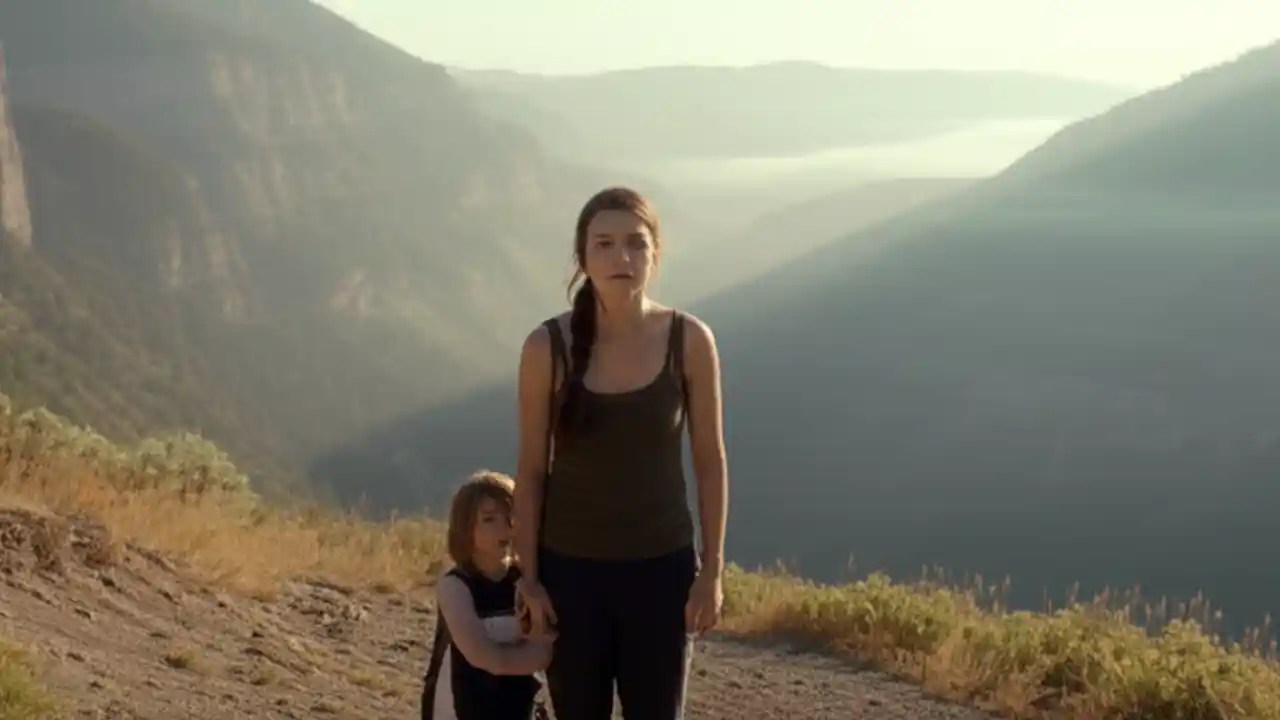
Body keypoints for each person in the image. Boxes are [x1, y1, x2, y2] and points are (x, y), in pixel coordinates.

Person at [512, 186, 730, 719]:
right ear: (582, 257)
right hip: (570, 574)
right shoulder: (548, 348)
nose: (621, 258)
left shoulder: (689, 340)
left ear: (655, 254)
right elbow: (532, 471)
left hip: (662, 572)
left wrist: (711, 573)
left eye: (636, 244)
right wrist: (530, 579)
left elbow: (710, 461)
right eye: (604, 244)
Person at [422, 471, 554, 720]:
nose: (503, 528)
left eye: (510, 517)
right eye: (489, 519)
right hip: (461, 705)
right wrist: (535, 656)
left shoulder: (527, 582)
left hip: (518, 704)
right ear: (466, 526)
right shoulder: (455, 586)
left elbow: (547, 645)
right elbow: (484, 656)